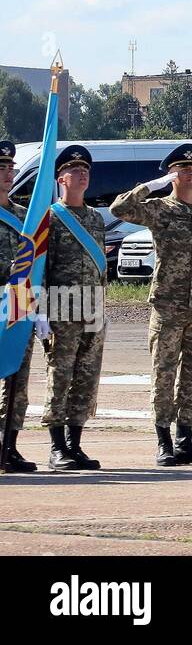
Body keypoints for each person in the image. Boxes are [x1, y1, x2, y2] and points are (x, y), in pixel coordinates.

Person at [110, 143, 192, 466]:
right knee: (164, 372)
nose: (190, 174)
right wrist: (151, 186)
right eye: (182, 169)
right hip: (168, 306)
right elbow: (120, 209)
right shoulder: (160, 208)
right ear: (172, 174)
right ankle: (163, 439)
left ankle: (186, 438)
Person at [42, 145, 108, 471]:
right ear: (60, 179)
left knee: (86, 379)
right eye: (75, 170)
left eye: (86, 170)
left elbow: (101, 268)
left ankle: (75, 444)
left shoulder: (96, 219)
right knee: (60, 377)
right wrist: (41, 312)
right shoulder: (50, 218)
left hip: (93, 309)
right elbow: (42, 267)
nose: (82, 174)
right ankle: (56, 448)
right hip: (61, 310)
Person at [0, 138, 38, 473]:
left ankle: (9, 445)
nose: (7, 173)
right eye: (1, 168)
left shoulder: (25, 218)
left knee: (18, 375)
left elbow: (37, 263)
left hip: (19, 302)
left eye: (10, 167)